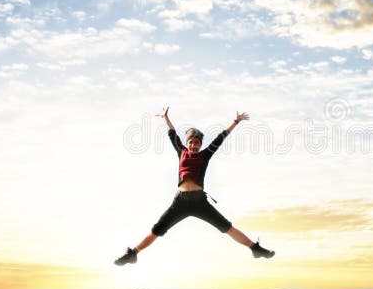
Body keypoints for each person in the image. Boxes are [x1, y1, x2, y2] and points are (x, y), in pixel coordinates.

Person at [114, 107, 275, 266]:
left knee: (226, 227)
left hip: (199, 202)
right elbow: (172, 134)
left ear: (200, 144)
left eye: (197, 143)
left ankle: (255, 248)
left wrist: (236, 122)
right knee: (157, 230)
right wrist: (165, 118)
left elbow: (220, 138)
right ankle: (133, 254)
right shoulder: (181, 151)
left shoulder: (205, 154)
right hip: (180, 202)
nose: (193, 145)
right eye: (191, 142)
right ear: (187, 142)